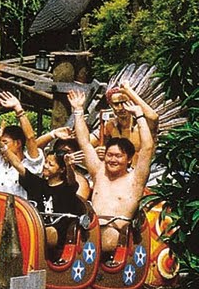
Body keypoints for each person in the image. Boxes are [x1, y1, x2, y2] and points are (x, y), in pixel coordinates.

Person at [70, 87, 155, 255]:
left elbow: (147, 147)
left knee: (108, 238)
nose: (112, 160)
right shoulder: (99, 172)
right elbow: (85, 143)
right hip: (90, 236)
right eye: (109, 155)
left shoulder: (135, 179)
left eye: (118, 156)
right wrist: (78, 111)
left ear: (128, 159)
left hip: (117, 238)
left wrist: (139, 116)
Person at [18, 147, 89, 262]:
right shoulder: (38, 184)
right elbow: (18, 166)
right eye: (45, 162)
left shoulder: (67, 188)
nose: (45, 166)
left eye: (50, 164)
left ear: (61, 170)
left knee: (42, 233)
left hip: (59, 234)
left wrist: (69, 166)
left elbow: (72, 181)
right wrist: (3, 147)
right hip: (38, 227)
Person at [0, 91, 42, 198]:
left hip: (16, 208)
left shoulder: (30, 165)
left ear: (18, 143)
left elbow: (30, 138)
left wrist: (18, 109)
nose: (1, 146)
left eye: (5, 142)